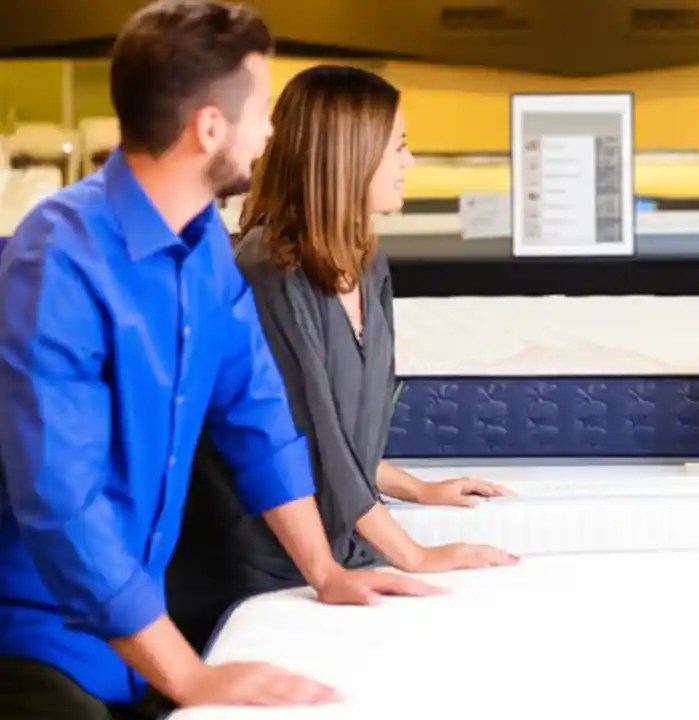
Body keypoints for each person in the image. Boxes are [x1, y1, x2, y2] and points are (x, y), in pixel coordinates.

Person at [0, 2, 439, 718]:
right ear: (210, 128)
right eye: (261, 110)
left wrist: (325, 573)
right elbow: (61, 504)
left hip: (148, 637)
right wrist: (190, 677)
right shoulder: (59, 258)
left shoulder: (203, 244)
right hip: (44, 641)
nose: (270, 134)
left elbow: (258, 421)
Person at [167, 64, 520, 655]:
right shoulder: (269, 275)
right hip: (260, 571)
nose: (411, 162)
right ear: (349, 155)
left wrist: (415, 488)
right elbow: (299, 441)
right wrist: (412, 554)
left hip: (334, 553)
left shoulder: (367, 263)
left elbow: (335, 432)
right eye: (400, 147)